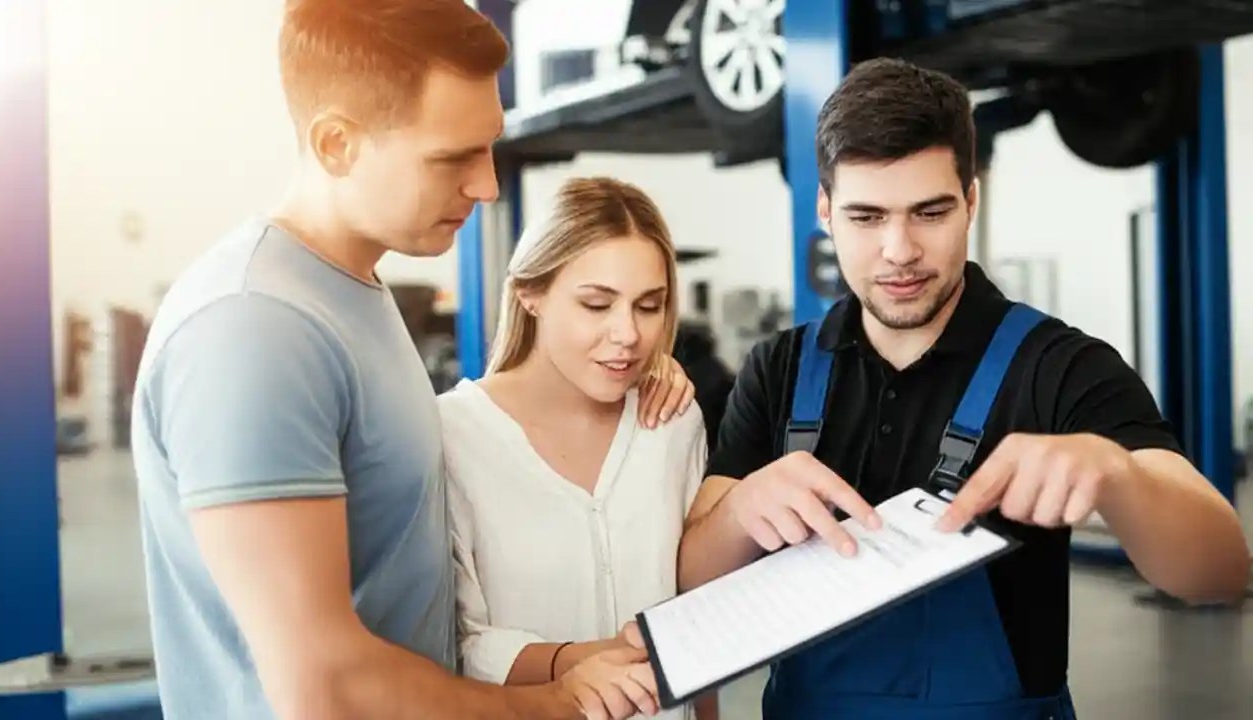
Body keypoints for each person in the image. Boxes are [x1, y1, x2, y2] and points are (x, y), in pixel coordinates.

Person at [128, 2, 693, 719]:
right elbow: (326, 685)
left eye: (488, 149)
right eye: (452, 158)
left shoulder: (351, 294)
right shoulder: (254, 329)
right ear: (336, 143)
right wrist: (555, 703)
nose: (487, 186)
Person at [675, 57, 1251, 719]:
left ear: (971, 201)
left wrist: (1118, 475)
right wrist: (740, 512)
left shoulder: (1060, 367)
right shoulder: (778, 370)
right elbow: (690, 587)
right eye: (867, 217)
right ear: (826, 212)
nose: (899, 250)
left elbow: (1218, 574)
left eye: (929, 212)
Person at [437, 177, 720, 720]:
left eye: (649, 306)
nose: (628, 334)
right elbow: (458, 642)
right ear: (531, 294)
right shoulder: (452, 435)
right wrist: (590, 659)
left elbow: (692, 615)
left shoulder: (673, 423)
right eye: (596, 304)